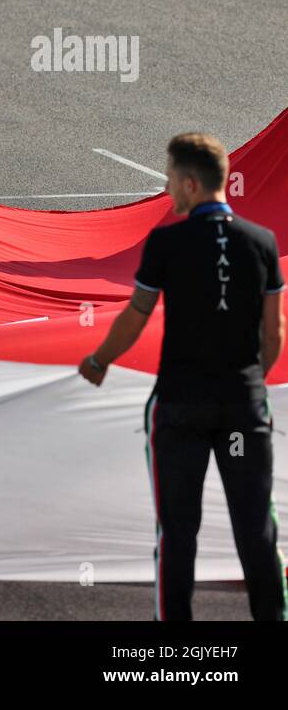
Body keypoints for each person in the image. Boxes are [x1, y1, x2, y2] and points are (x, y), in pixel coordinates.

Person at [78, 133, 286, 620]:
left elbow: (136, 315)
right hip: (242, 407)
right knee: (256, 528)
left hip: (180, 407)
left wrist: (99, 359)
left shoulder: (168, 242)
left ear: (191, 184)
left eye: (171, 178)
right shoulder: (262, 242)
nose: (168, 188)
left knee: (178, 530)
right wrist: (249, 380)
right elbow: (274, 333)